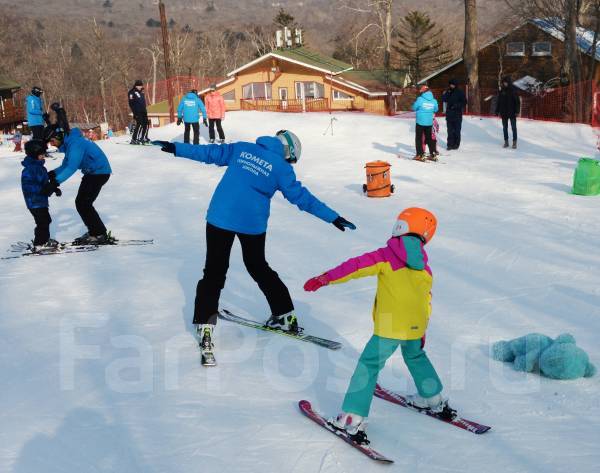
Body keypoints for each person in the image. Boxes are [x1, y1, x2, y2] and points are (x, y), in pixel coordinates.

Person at [153, 130, 356, 363]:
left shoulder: (243, 148)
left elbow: (209, 152)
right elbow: (302, 198)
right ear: (287, 152)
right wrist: (332, 217)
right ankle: (285, 316)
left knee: (214, 272)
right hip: (252, 223)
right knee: (258, 266)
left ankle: (205, 326)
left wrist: (177, 148)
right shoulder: (281, 168)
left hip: (221, 217)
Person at [303, 207, 455, 445]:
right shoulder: (425, 267)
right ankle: (434, 399)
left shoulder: (387, 255)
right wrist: (421, 329)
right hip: (415, 326)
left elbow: (354, 267)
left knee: (369, 365)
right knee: (416, 356)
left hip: (389, 327)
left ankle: (351, 418)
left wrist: (325, 278)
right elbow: (426, 300)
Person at [45, 106, 113, 245]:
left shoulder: (75, 144)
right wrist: (51, 175)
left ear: (59, 136)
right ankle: (97, 231)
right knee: (83, 203)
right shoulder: (70, 143)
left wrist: (55, 183)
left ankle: (98, 234)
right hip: (92, 172)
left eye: (52, 141)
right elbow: (65, 165)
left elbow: (71, 167)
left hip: (99, 173)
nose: (51, 145)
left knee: (83, 203)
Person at [21, 139, 62, 251]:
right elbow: (29, 186)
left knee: (46, 220)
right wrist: (45, 189)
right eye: (41, 154)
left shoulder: (39, 167)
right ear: (35, 154)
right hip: (34, 201)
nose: (44, 156)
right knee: (42, 222)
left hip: (40, 200)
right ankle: (40, 243)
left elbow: (43, 183)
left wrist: (54, 188)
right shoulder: (29, 169)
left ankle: (44, 240)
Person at [411, 85, 439, 161]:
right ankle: (433, 154)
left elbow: (414, 108)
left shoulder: (420, 99)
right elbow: (436, 109)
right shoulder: (434, 100)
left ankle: (420, 154)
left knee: (419, 138)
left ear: (423, 91)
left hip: (420, 122)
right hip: (429, 122)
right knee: (429, 138)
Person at [495, 76, 521, 149]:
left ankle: (514, 142)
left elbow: (517, 102)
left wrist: (517, 111)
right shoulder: (501, 91)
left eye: (505, 82)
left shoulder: (514, 90)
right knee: (504, 128)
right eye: (503, 82)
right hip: (504, 112)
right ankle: (506, 141)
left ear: (509, 82)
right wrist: (497, 111)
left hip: (512, 112)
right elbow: (499, 102)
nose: (504, 84)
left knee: (513, 128)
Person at [441, 79, 467, 150]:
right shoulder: (448, 91)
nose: (451, 85)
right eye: (450, 84)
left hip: (457, 115)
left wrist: (456, 105)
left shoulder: (460, 92)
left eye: (452, 84)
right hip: (449, 115)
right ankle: (450, 144)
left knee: (457, 131)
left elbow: (464, 102)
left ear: (455, 85)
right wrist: (447, 93)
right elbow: (444, 99)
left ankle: (456, 144)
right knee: (449, 131)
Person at [128, 80, 149, 145]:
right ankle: (135, 139)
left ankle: (143, 137)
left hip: (143, 111)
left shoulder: (141, 92)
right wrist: (135, 112)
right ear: (136, 85)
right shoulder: (132, 92)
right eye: (140, 86)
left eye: (141, 86)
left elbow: (143, 102)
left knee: (146, 124)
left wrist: (145, 110)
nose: (141, 87)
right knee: (139, 124)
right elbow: (131, 103)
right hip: (137, 111)